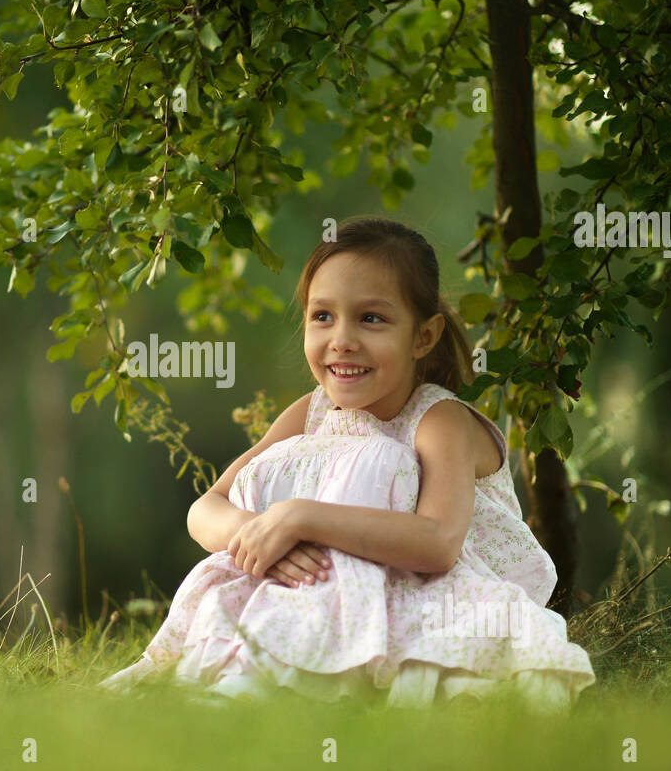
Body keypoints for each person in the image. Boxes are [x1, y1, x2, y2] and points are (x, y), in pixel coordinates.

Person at [98, 217, 596, 710]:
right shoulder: (310, 412)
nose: (342, 339)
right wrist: (264, 536)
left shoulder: (439, 419)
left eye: (371, 319)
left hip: (427, 597)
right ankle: (239, 683)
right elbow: (206, 507)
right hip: (323, 591)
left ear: (423, 337)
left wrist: (300, 517)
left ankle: (290, 686)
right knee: (243, 594)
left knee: (436, 668)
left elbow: (439, 544)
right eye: (323, 317)